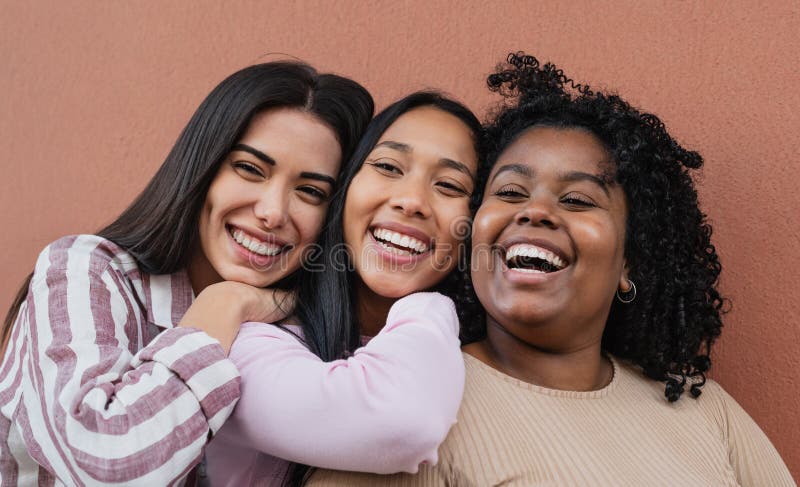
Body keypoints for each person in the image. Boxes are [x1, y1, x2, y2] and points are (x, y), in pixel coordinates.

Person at [307, 53, 795, 486]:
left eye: (578, 199)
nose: (534, 211)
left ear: (631, 261)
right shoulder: (409, 402)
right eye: (510, 193)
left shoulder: (701, 408)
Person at [0, 61, 373, 485]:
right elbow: (105, 466)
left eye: (310, 191)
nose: (272, 212)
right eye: (250, 169)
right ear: (203, 168)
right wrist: (222, 307)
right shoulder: (86, 271)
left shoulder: (305, 331)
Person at [204, 91, 482, 486]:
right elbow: (400, 422)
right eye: (388, 166)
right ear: (344, 188)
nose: (411, 201)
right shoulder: (247, 340)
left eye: (451, 186)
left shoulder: (473, 361)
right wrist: (433, 305)